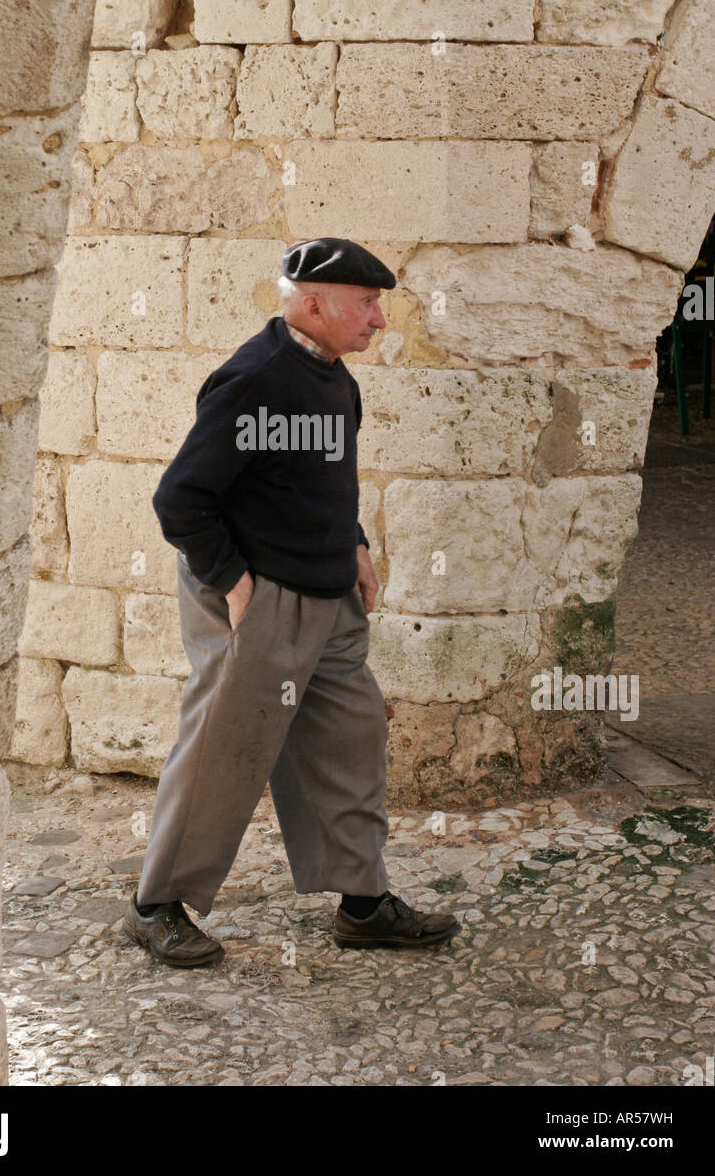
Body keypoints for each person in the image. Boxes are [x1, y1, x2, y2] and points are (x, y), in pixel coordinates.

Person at [123, 238, 461, 966]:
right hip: (259, 596)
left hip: (330, 590)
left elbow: (325, 478)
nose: (378, 320)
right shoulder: (254, 379)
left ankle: (364, 904)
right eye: (367, 304)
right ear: (314, 304)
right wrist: (235, 585)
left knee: (352, 737)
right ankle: (156, 905)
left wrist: (357, 544)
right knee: (224, 748)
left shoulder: (336, 376)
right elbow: (181, 500)